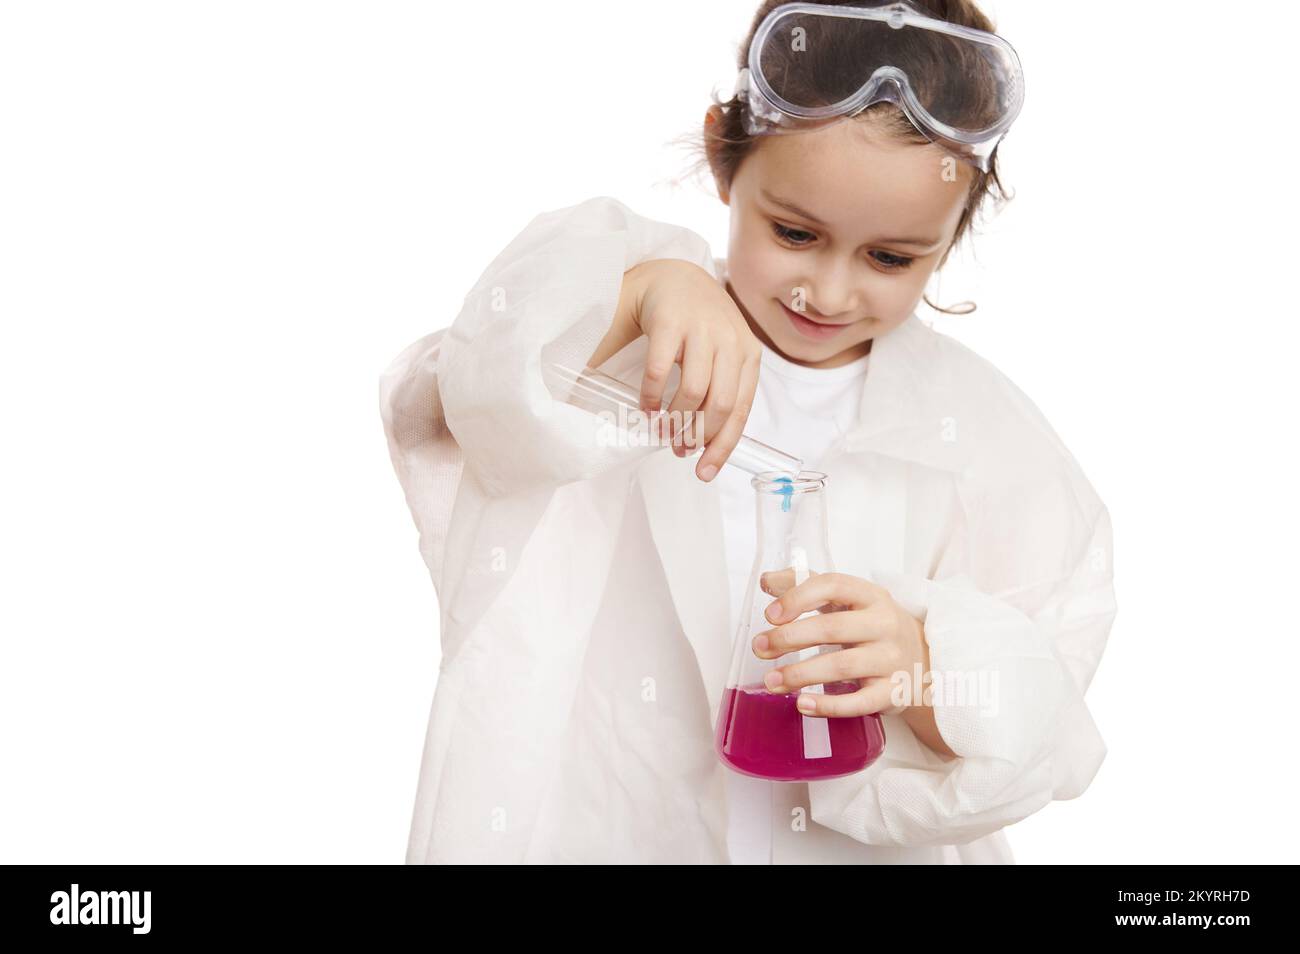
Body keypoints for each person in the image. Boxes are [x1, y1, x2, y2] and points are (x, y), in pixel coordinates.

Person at [379, 0, 1116, 864]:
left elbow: (1042, 735)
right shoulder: (639, 338)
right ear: (726, 160)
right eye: (794, 233)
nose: (830, 294)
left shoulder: (981, 439)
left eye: (890, 257)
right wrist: (636, 294)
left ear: (955, 228)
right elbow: (447, 400)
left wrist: (923, 665)